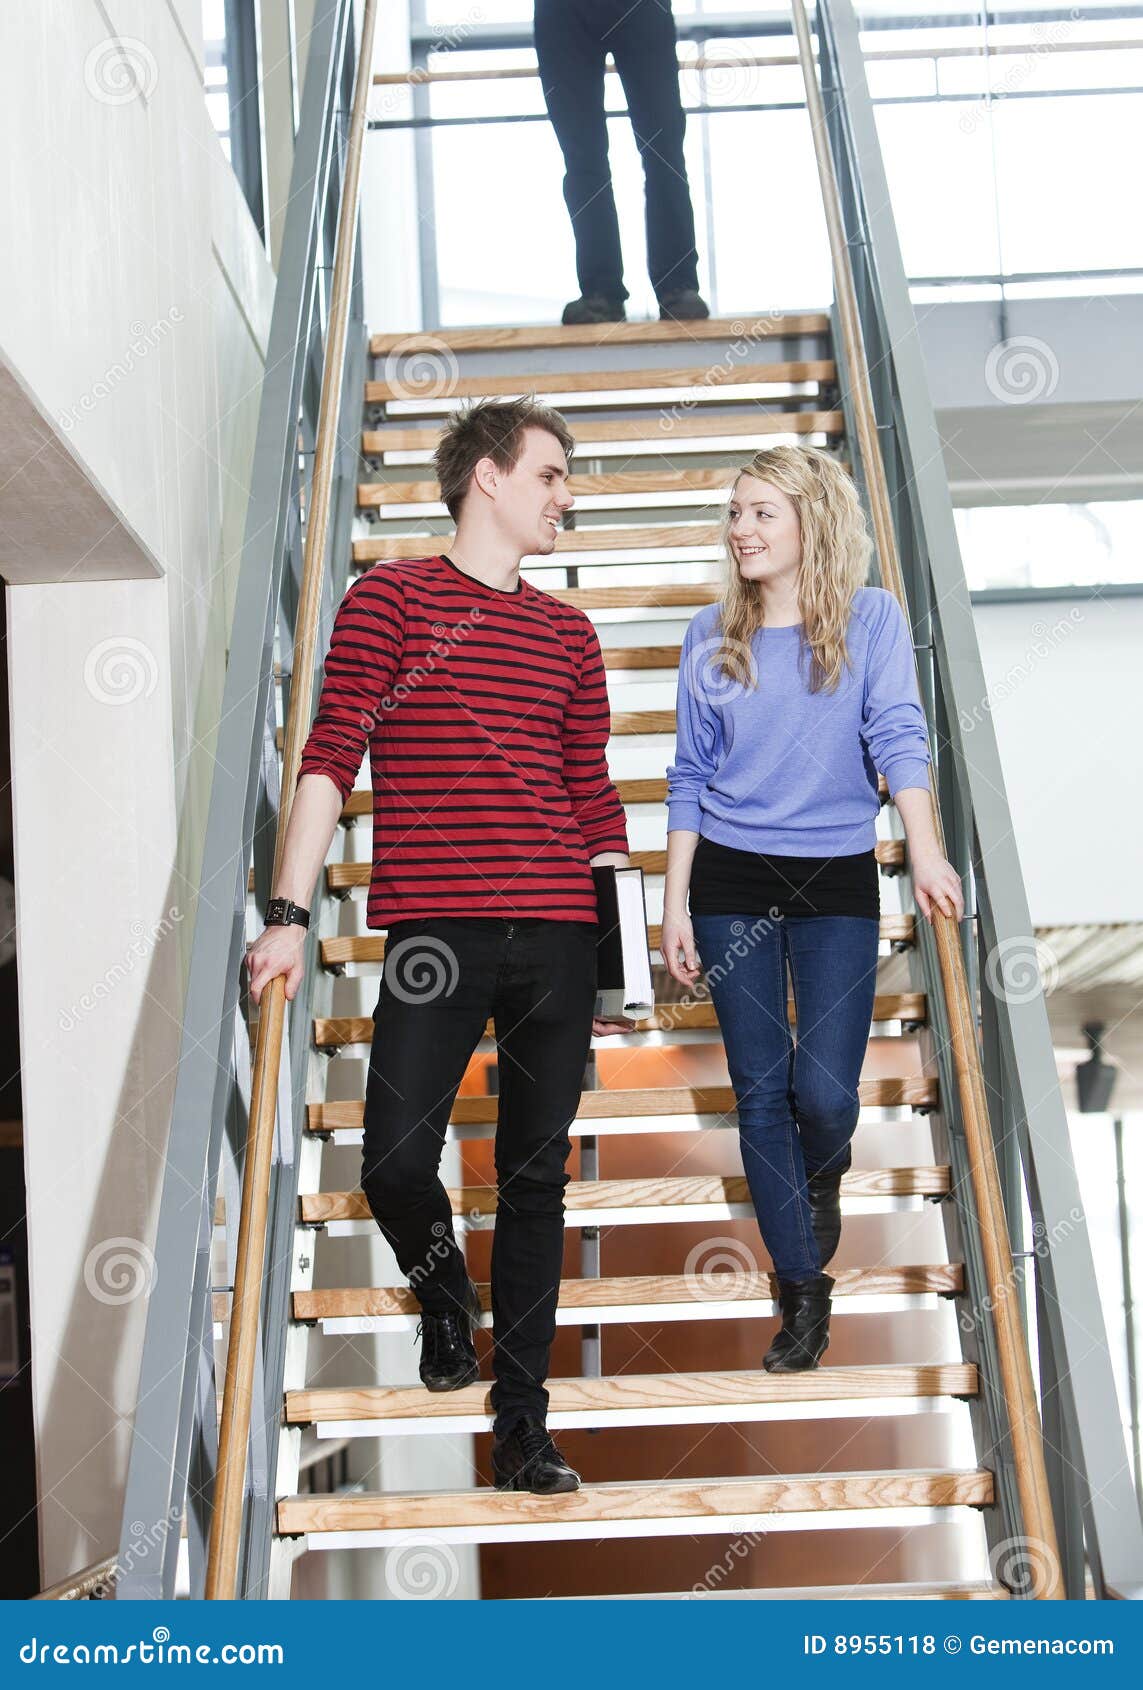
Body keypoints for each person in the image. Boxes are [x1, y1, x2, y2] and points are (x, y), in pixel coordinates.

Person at [245, 397, 635, 1494]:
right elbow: (329, 759)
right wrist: (286, 916)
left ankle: (522, 1428)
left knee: (533, 1181)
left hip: (559, 935)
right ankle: (442, 1300)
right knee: (394, 1163)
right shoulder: (392, 600)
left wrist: (620, 957)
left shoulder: (570, 633)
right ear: (489, 480)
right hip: (438, 933)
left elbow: (593, 801)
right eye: (553, 474)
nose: (567, 495)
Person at [661, 445, 963, 1372]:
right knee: (760, 1097)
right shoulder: (712, 634)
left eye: (762, 513)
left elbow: (897, 732)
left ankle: (817, 1175)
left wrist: (924, 846)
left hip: (832, 874)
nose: (741, 529)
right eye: (735, 512)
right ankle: (802, 1293)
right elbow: (688, 774)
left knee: (823, 1097)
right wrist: (674, 900)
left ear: (810, 525)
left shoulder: (868, 619)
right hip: (728, 879)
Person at [534, 0, 710, 325]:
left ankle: (677, 287)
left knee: (663, 145)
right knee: (582, 155)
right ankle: (600, 294)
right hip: (562, 11)